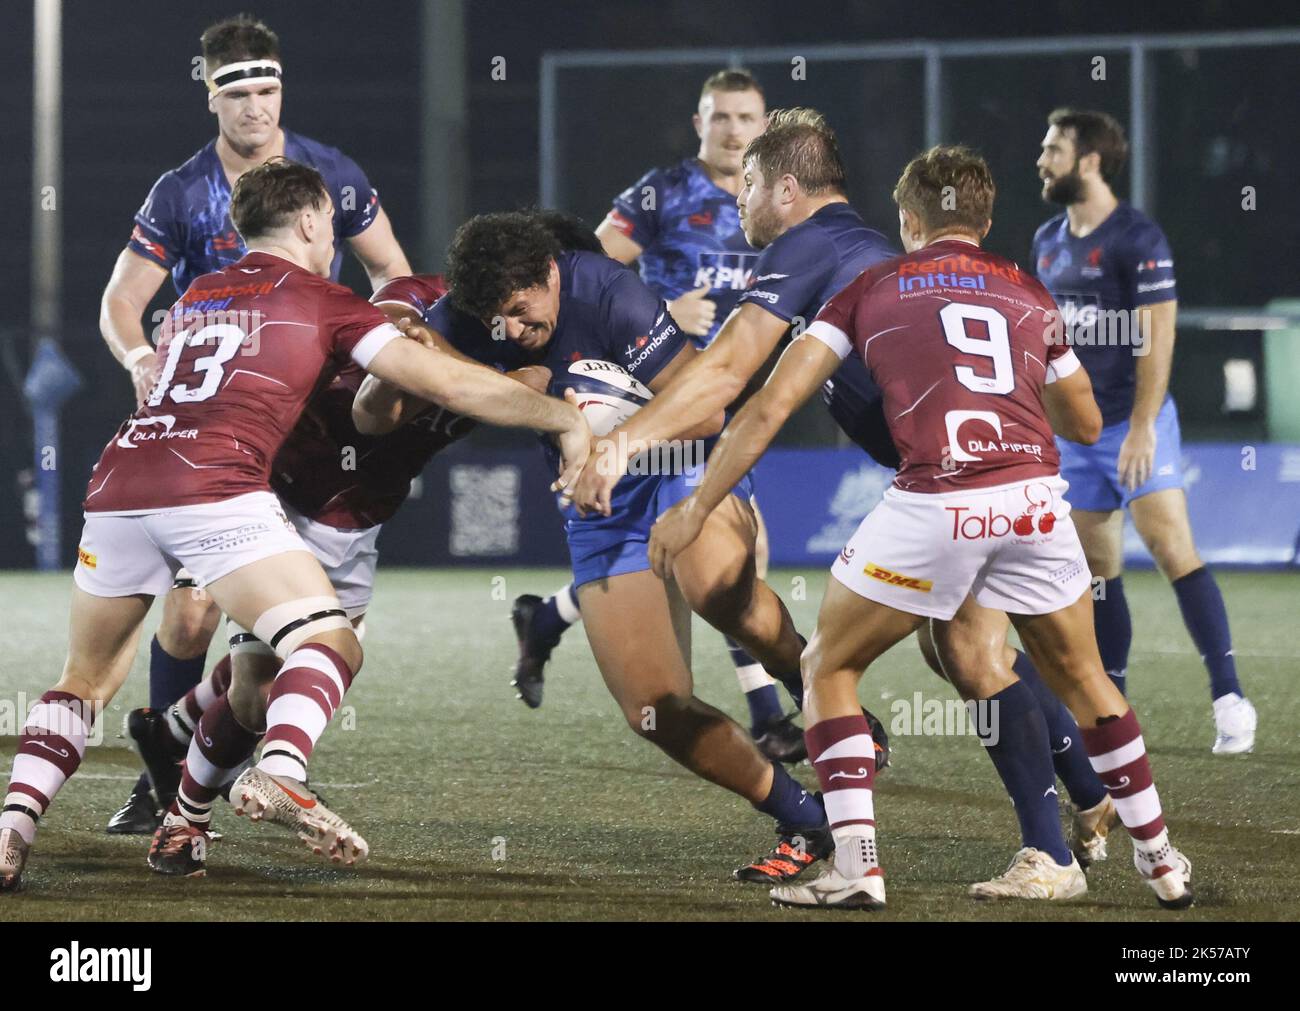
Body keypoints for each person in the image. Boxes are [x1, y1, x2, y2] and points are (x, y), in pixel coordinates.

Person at [0, 160, 590, 891]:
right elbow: (436, 382)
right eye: (332, 225)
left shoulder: (195, 295)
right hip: (219, 489)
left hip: (120, 479)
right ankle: (279, 769)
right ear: (313, 222)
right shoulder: (325, 297)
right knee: (329, 638)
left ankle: (14, 826)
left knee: (81, 681)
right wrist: (562, 414)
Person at [567, 109, 1114, 897]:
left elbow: (727, 380)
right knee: (960, 651)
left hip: (958, 477)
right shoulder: (855, 248)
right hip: (983, 465)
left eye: (750, 186)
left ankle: (1044, 850)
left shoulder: (811, 246)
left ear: (786, 187)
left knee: (956, 655)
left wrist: (624, 446)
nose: (741, 203)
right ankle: (1092, 800)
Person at [367, 210, 842, 883]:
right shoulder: (464, 315)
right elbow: (373, 416)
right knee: (653, 707)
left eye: (524, 311)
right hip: (601, 508)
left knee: (711, 584)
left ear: (551, 274)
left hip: (684, 466)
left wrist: (620, 446)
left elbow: (706, 409)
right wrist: (398, 361)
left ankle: (822, 698)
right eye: (498, 319)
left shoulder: (608, 291)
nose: (515, 330)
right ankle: (804, 816)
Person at [98, 13, 412, 834]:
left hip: (316, 427)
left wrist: (370, 356)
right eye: (237, 93)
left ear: (283, 89)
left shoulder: (332, 175)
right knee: (194, 612)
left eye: (268, 89)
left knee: (316, 628)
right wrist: (140, 361)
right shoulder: (179, 191)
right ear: (210, 97)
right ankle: (171, 780)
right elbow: (121, 303)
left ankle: (219, 755)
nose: (256, 108)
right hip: (220, 428)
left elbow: (395, 271)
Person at [512, 71, 806, 761]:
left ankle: (545, 616)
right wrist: (663, 316)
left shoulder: (777, 199)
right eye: (721, 116)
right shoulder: (662, 191)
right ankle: (769, 712)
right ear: (698, 122)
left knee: (681, 559)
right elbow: (586, 272)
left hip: (730, 393)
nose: (734, 129)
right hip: (661, 399)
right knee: (725, 557)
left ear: (766, 127)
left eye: (747, 117)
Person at [1033, 108, 1255, 754]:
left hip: (1134, 423)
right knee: (1100, 573)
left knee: (1171, 548)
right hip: (1075, 432)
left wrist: (1142, 427)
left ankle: (1229, 696)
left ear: (1091, 161)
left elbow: (1157, 338)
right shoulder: (1047, 239)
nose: (1041, 160)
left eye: (1053, 150)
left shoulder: (1138, 238)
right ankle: (1114, 707)